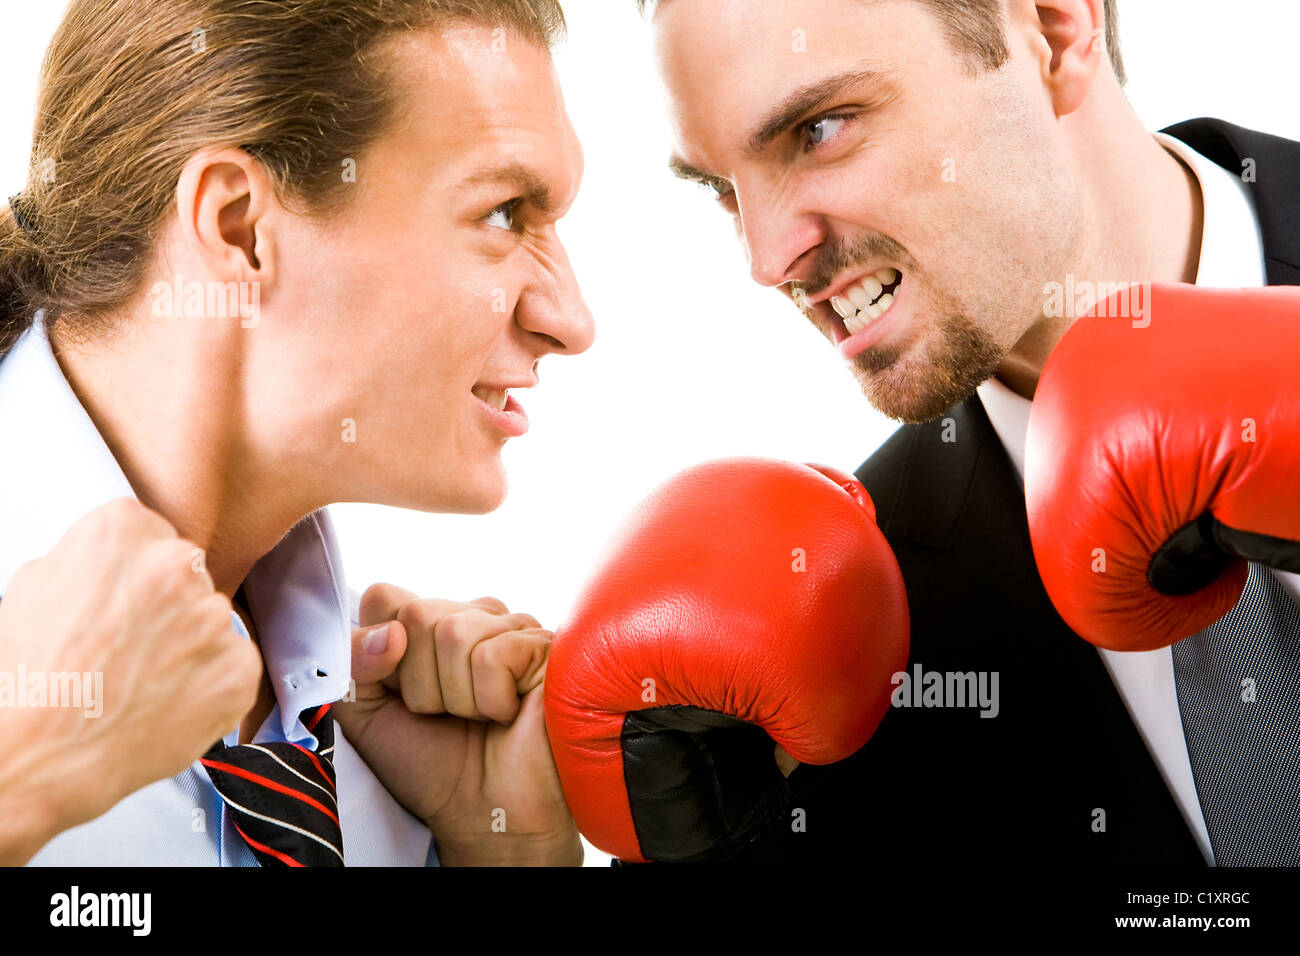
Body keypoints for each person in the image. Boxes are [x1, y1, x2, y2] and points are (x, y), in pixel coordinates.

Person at [638, 0, 1300, 864]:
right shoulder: (844, 648)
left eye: (820, 128)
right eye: (725, 191)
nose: (767, 260)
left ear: (1054, 32)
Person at [0, 0, 592, 866]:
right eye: (505, 214)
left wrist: (505, 853)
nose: (572, 319)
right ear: (238, 227)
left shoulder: (397, 757)